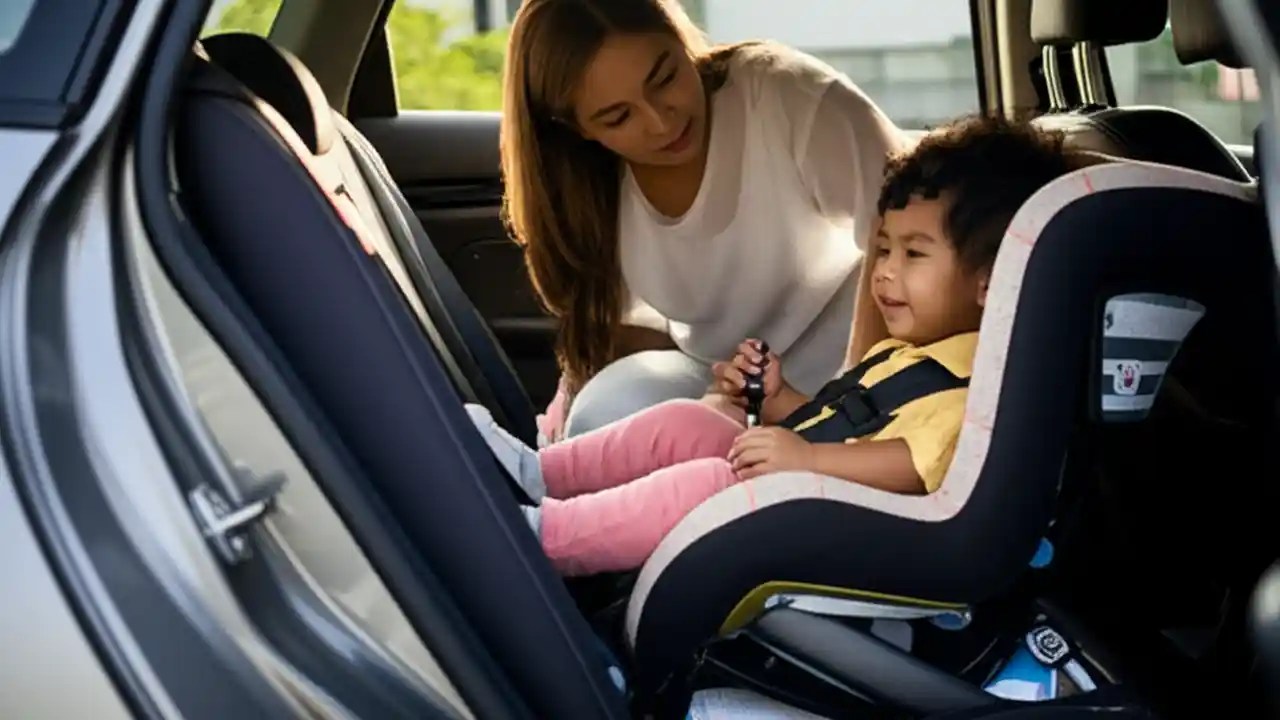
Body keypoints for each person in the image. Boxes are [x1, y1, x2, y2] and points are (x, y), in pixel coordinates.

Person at [472, 115, 1073, 576]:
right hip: (817, 489)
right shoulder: (908, 355)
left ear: (992, 281)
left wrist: (807, 461)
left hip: (854, 535)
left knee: (711, 480)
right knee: (692, 421)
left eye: (914, 255)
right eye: (884, 248)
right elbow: (847, 427)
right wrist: (780, 400)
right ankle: (539, 472)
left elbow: (912, 468)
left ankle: (544, 542)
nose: (884, 273)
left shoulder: (974, 385)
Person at [499, 0, 910, 443]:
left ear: (679, 37)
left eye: (665, 78)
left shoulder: (787, 96)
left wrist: (854, 403)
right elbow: (623, 331)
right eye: (618, 116)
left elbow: (903, 231)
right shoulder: (591, 190)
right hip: (728, 388)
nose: (660, 122)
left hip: (862, 365)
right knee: (604, 418)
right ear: (577, 128)